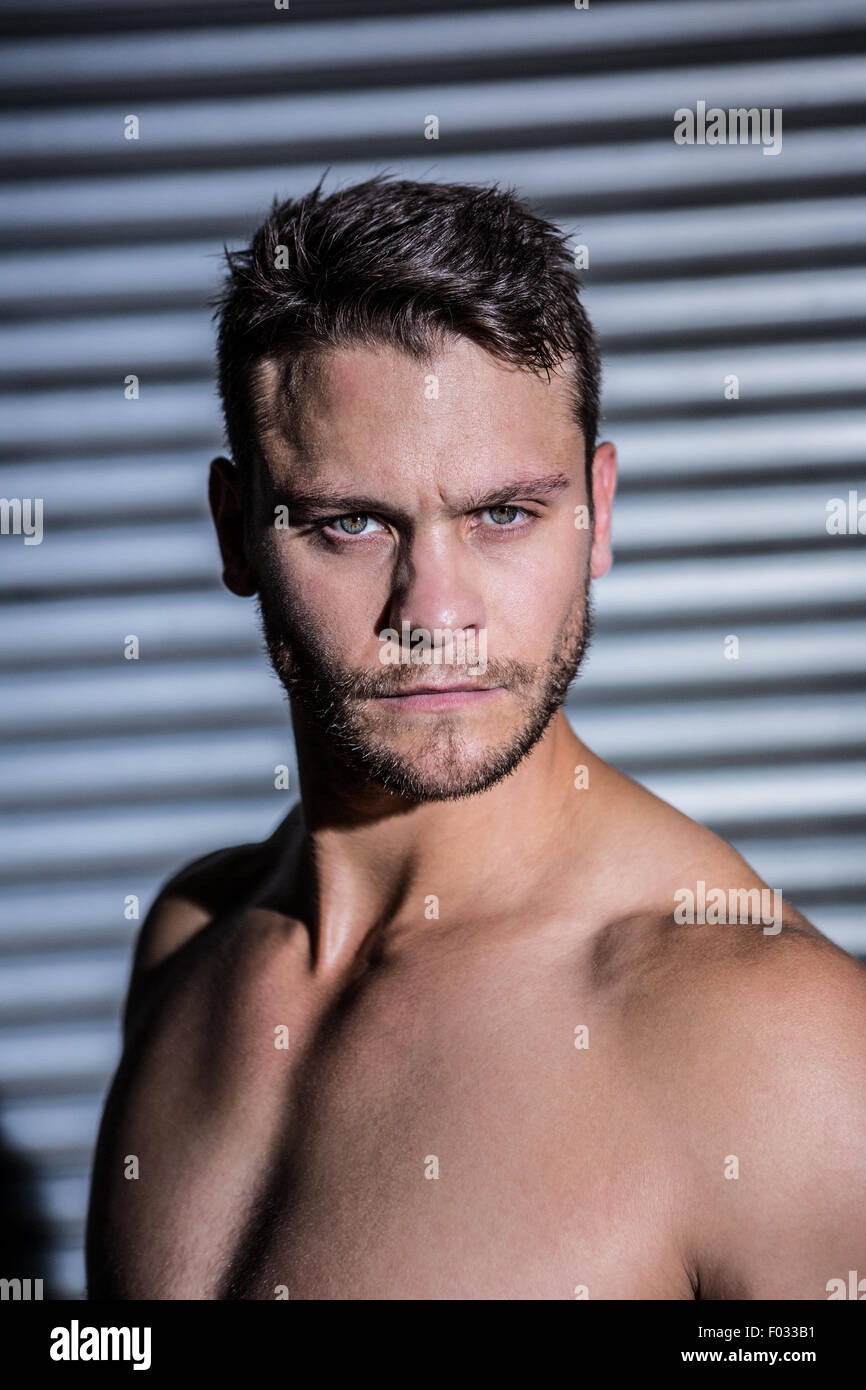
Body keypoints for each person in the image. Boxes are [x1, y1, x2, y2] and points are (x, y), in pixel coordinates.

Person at [86, 175, 866, 1300]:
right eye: (349, 521)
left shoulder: (773, 1047)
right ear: (235, 533)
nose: (432, 614)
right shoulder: (189, 942)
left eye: (502, 513)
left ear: (597, 512)